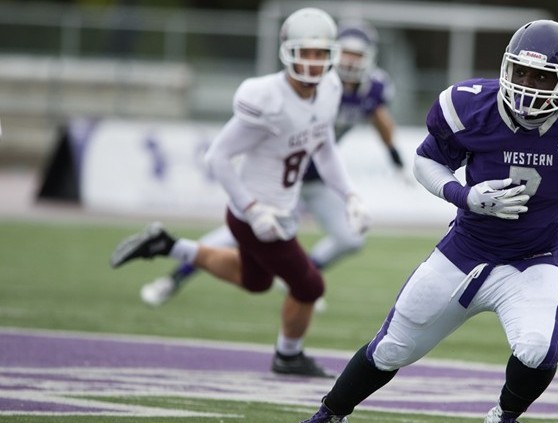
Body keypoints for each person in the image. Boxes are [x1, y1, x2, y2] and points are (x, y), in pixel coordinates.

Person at [258, 19, 558, 423]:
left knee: (537, 349)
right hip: (464, 250)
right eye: (521, 73)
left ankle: (503, 419)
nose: (528, 87)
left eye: (542, 77)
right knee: (392, 347)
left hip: (534, 259)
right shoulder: (471, 107)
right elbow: (425, 161)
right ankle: (328, 419)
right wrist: (464, 195)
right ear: (505, 68)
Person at [110, 7, 366, 378]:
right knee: (309, 285)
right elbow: (218, 157)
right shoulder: (267, 97)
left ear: (331, 56)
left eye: (319, 53)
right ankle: (288, 356)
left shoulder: (330, 89)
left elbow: (324, 145)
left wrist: (350, 195)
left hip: (281, 206)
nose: (312, 62)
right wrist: (253, 209)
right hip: (256, 213)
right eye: (304, 52)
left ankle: (166, 245)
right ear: (287, 51)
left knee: (256, 279)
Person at [138, 20, 403, 307]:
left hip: (315, 178)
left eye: (358, 54)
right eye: (346, 53)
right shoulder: (316, 80)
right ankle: (175, 276)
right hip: (276, 178)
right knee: (238, 236)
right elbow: (226, 148)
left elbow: (366, 125)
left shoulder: (368, 88)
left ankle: (300, 278)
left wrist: (389, 163)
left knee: (350, 238)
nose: (351, 61)